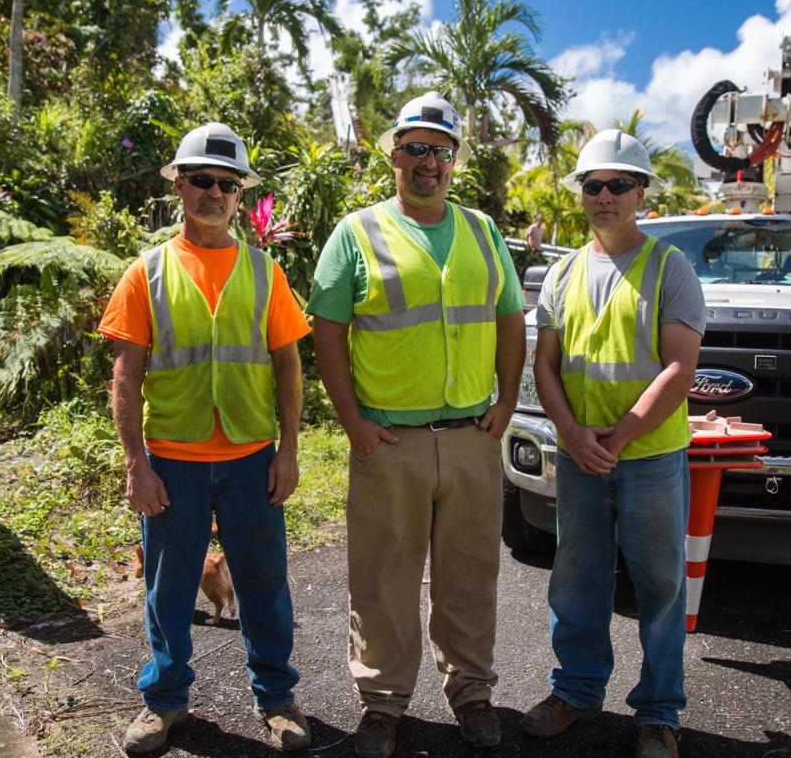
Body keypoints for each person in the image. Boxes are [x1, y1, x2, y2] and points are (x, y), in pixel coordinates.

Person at [308, 92, 526, 758]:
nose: (427, 161)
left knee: (469, 573)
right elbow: (328, 331)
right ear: (392, 155)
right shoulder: (358, 231)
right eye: (414, 148)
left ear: (453, 159)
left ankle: (472, 694)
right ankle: (381, 706)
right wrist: (354, 424)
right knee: (382, 579)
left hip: (470, 439)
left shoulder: (483, 232)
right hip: (389, 442)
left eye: (439, 149)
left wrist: (507, 402)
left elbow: (511, 318)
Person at [99, 123, 312, 754]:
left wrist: (290, 449)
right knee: (167, 589)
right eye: (200, 180)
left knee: (264, 585)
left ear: (239, 194)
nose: (213, 192)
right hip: (174, 461)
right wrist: (137, 464)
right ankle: (164, 702)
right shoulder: (148, 272)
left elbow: (289, 366)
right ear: (179, 187)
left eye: (225, 182)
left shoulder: (264, 272)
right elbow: (126, 374)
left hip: (251, 458)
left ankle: (277, 699)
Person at [520, 129, 705, 758]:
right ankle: (575, 690)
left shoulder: (669, 268)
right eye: (593, 185)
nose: (604, 196)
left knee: (659, 585)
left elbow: (680, 368)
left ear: (641, 193)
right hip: (579, 457)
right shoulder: (563, 272)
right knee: (576, 579)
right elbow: (544, 364)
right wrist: (571, 433)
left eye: (618, 185)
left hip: (649, 457)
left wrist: (621, 435)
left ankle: (658, 712)